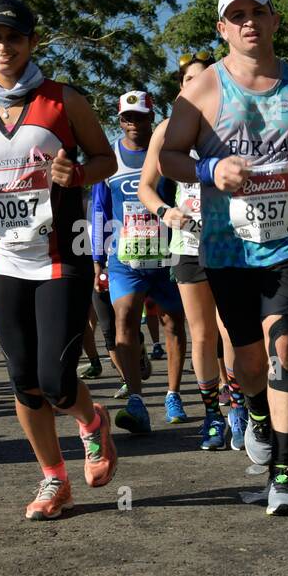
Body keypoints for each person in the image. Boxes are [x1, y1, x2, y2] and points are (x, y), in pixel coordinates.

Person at [160, 0, 288, 515]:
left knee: (284, 340)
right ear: (222, 28)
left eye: (256, 13)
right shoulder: (200, 91)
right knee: (244, 359)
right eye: (236, 15)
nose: (247, 23)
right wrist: (210, 168)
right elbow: (170, 156)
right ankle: (256, 410)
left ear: (274, 20)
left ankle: (285, 474)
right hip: (228, 246)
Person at [0, 0, 117, 521]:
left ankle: (91, 420)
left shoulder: (65, 101)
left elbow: (105, 159)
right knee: (23, 379)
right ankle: (53, 479)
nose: (3, 47)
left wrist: (79, 175)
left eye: (14, 37)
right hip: (2, 258)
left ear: (32, 43)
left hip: (60, 253)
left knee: (56, 379)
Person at [138, 52, 237, 450]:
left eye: (203, 79)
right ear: (181, 87)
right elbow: (146, 187)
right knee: (202, 334)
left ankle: (240, 406)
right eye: (188, 80)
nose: (196, 85)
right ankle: (213, 414)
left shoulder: (232, 122)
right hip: (189, 243)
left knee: (233, 329)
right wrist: (166, 211)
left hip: (233, 240)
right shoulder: (166, 129)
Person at [91, 90, 188, 434]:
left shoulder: (167, 154)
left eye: (141, 117)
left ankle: (173, 394)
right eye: (128, 117)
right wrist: (97, 258)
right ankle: (135, 399)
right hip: (124, 259)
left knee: (175, 323)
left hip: (166, 256)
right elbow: (100, 209)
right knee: (124, 318)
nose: (134, 123)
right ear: (120, 120)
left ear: (152, 118)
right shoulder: (110, 158)